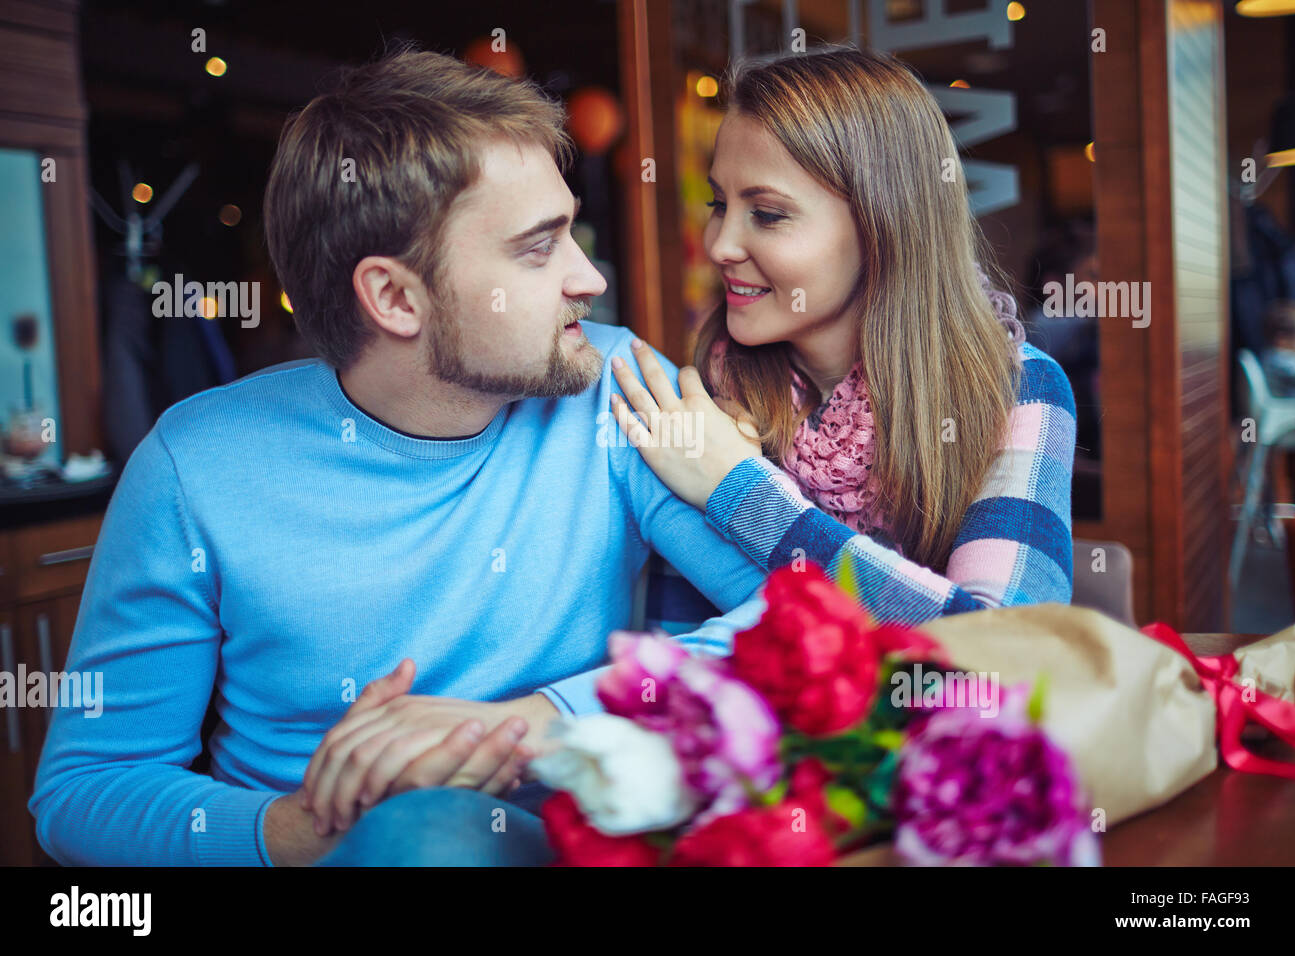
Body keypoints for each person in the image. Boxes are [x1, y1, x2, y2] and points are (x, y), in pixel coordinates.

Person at [28, 47, 769, 867]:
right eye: (537, 248)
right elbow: (85, 791)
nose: (587, 277)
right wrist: (307, 830)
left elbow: (804, 619)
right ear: (393, 298)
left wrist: (532, 718)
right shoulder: (195, 465)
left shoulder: (617, 389)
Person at [611, 47, 1077, 620]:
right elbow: (690, 656)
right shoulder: (710, 388)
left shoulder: (1015, 386)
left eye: (768, 213)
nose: (719, 246)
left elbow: (1005, 651)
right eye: (718, 204)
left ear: (882, 225)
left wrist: (738, 487)